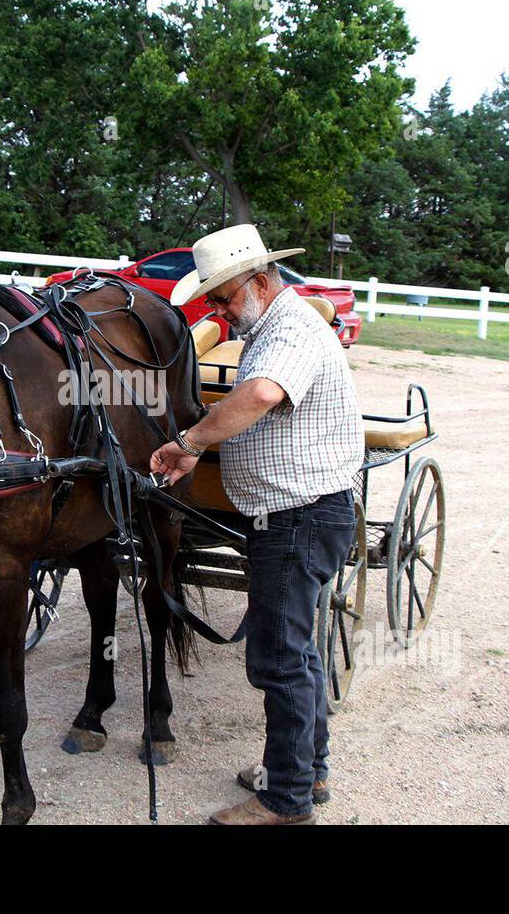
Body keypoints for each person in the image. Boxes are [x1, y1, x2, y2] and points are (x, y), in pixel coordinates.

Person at [150, 224, 364, 825]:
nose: (216, 309)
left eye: (223, 296)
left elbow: (263, 394)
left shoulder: (289, 327)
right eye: (210, 299)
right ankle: (306, 769)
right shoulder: (278, 326)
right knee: (297, 652)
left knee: (277, 659)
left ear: (263, 281)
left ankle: (286, 800)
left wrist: (189, 439)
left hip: (296, 518)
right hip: (299, 514)